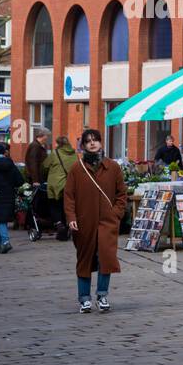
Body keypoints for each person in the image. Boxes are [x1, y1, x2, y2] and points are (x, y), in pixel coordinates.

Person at [63, 129, 128, 312]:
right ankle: (84, 298)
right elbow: (69, 196)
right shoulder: (77, 168)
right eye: (88, 141)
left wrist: (116, 213)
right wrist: (71, 217)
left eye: (96, 140)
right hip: (84, 222)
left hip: (107, 222)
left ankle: (102, 295)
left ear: (101, 143)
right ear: (83, 145)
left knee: (105, 258)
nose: (92, 143)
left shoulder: (112, 167)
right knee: (84, 260)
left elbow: (121, 194)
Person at [42, 135, 78, 241]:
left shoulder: (55, 153)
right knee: (65, 207)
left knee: (54, 206)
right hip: (69, 185)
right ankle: (65, 230)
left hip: (55, 184)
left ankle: (59, 225)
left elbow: (45, 166)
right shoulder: (74, 154)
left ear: (59, 144)